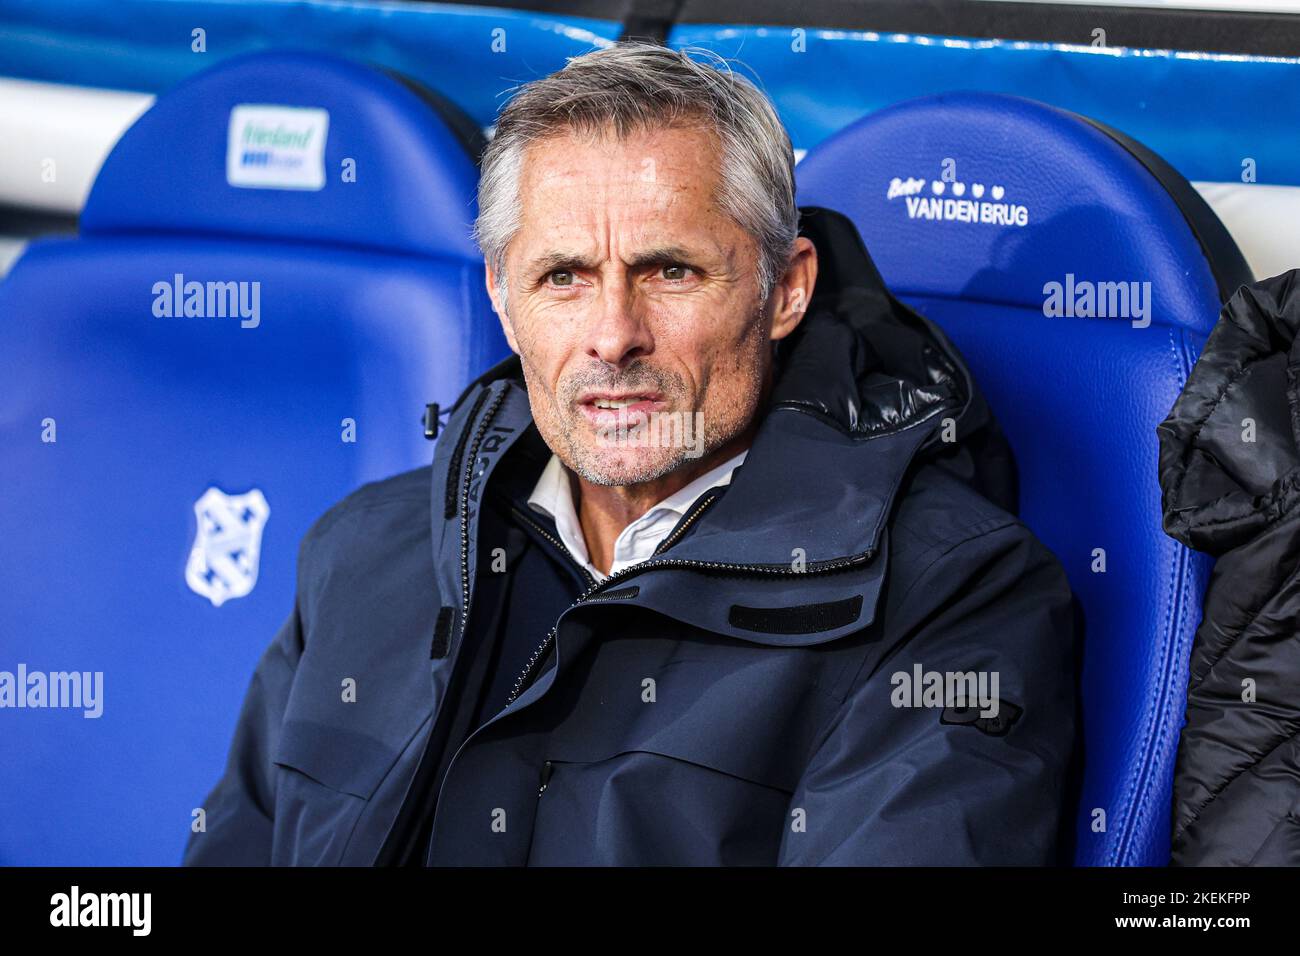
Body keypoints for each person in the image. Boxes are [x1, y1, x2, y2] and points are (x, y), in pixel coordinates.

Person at [183, 41, 1077, 866]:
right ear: (502, 295)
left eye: (670, 272)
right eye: (563, 277)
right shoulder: (364, 551)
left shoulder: (954, 600)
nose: (614, 336)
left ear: (786, 290)